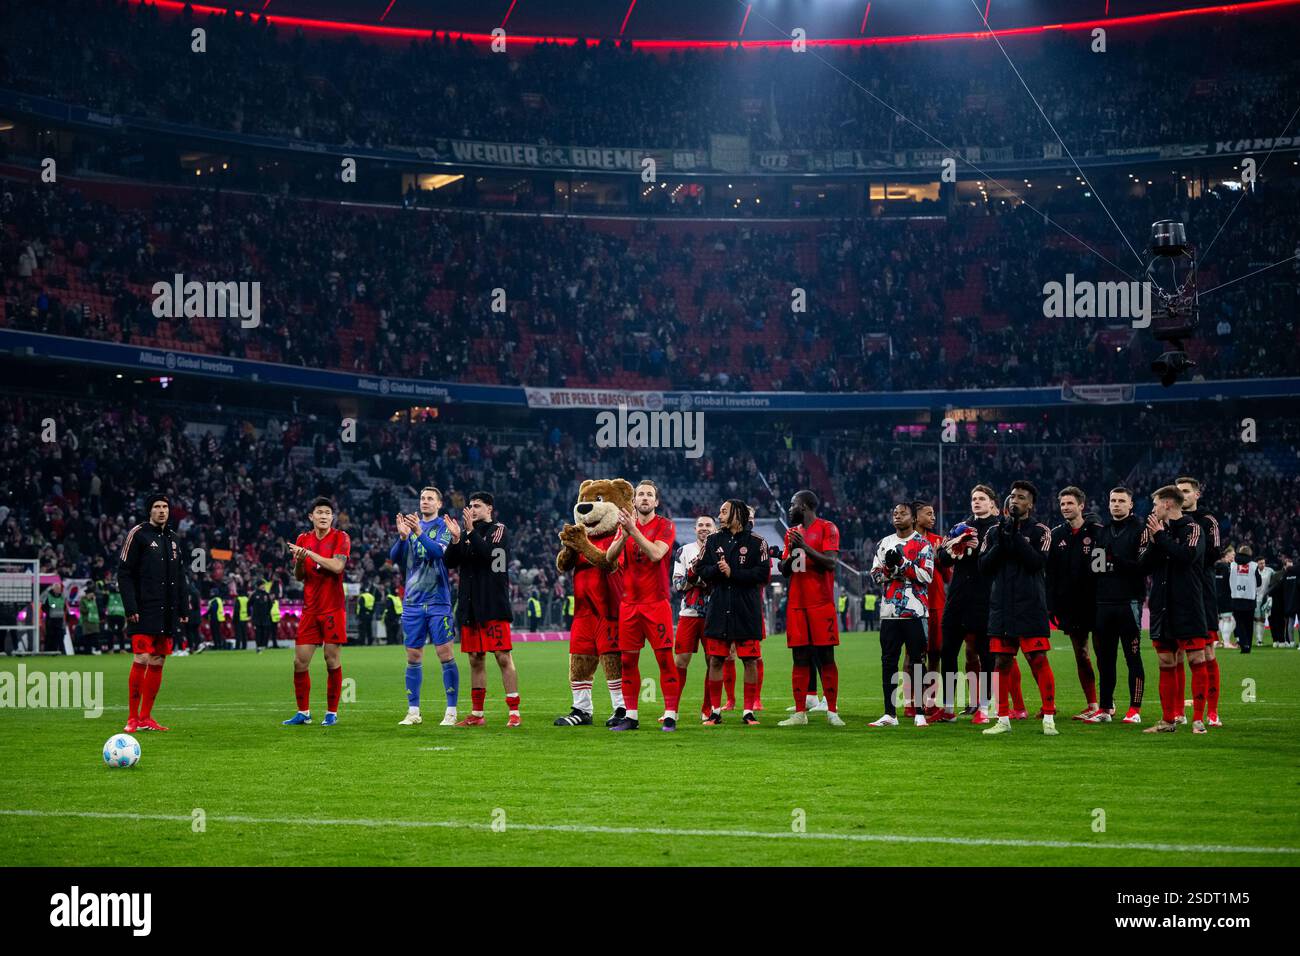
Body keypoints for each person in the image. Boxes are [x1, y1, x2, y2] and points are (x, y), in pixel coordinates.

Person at [979, 480, 1059, 737]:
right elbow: (983, 566)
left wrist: (1015, 537)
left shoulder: (1041, 531)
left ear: (1031, 504)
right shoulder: (994, 532)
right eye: (1012, 496)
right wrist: (1003, 539)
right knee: (1001, 661)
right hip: (1001, 606)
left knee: (1038, 659)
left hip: (1030, 606)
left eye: (1021, 497)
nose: (1015, 500)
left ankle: (1048, 716)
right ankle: (1003, 718)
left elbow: (1037, 563)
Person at [603, 480, 682, 732]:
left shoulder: (665, 526)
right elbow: (609, 558)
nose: (645, 498)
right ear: (634, 500)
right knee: (627, 661)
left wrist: (632, 531)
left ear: (656, 502)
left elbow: (656, 554)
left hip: (656, 604)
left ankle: (670, 714)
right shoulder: (625, 527)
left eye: (650, 495)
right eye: (640, 495)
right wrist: (623, 534)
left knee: (664, 660)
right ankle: (632, 716)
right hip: (629, 605)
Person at [444, 492, 521, 727]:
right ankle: (477, 715)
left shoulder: (499, 530)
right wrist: (456, 539)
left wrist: (469, 532)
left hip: (493, 605)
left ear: (490, 509)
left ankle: (514, 712)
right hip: (470, 608)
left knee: (502, 657)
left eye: (477, 505)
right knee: (476, 659)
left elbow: (490, 557)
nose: (472, 509)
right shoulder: (467, 534)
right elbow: (449, 562)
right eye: (470, 505)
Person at [693, 500, 771, 727]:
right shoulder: (713, 540)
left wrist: (733, 572)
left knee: (749, 660)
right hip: (719, 608)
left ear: (737, 514)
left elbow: (763, 574)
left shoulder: (758, 542)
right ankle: (715, 712)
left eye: (724, 511)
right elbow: (701, 569)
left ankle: (748, 711)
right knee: (716, 659)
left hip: (746, 609)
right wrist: (718, 569)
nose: (719, 514)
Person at [1139, 485, 1209, 734]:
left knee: (1195, 658)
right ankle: (1169, 720)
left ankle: (1199, 719)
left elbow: (1186, 556)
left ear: (1168, 504)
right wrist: (1154, 539)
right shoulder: (1156, 531)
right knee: (1166, 661)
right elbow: (1143, 565)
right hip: (1161, 606)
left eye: (1156, 504)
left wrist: (1160, 537)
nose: (1153, 509)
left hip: (1187, 605)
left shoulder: (1193, 529)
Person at [118, 493, 189, 732]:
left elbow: (180, 576)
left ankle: (146, 717)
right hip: (144, 609)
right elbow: (124, 573)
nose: (162, 510)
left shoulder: (174, 539)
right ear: (150, 511)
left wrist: (183, 606)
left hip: (167, 611)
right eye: (157, 507)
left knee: (159, 659)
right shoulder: (138, 534)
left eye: (165, 507)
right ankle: (132, 718)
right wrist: (131, 607)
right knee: (142, 657)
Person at [936, 484, 1003, 724]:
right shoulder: (960, 527)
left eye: (981, 498)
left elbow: (1000, 561)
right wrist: (955, 549)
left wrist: (980, 550)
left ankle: (985, 707)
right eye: (974, 498)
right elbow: (941, 559)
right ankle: (947, 708)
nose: (976, 502)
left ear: (991, 503)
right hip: (957, 598)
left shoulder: (998, 528)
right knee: (948, 651)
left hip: (985, 598)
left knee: (986, 654)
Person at [392, 487, 459, 727]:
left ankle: (451, 710)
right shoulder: (411, 525)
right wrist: (402, 538)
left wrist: (418, 532)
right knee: (413, 655)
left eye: (430, 498)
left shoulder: (443, 526)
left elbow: (437, 554)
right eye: (422, 498)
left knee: (445, 654)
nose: (425, 502)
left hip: (438, 600)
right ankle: (413, 711)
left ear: (439, 503)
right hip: (412, 602)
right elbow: (396, 558)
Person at [777, 490, 845, 727]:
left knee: (826, 656)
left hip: (821, 603)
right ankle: (799, 713)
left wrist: (805, 547)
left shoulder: (828, 528)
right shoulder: (791, 533)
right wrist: (784, 561)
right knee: (799, 657)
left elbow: (830, 562)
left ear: (804, 506)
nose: (789, 508)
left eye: (792, 504)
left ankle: (832, 710)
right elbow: (788, 570)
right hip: (797, 604)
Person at [282, 496, 351, 727]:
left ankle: (331, 713)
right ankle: (303, 712)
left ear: (332, 517)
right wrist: (300, 560)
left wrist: (308, 554)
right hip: (310, 609)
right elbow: (299, 576)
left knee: (331, 660)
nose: (323, 516)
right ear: (311, 516)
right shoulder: (303, 539)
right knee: (299, 662)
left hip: (333, 608)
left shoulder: (341, 537)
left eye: (327, 513)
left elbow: (337, 566)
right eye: (319, 512)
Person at [868, 502, 934, 728]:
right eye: (894, 513)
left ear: (913, 518)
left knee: (917, 662)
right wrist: (889, 569)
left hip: (915, 612)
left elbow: (927, 576)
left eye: (903, 513)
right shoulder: (883, 543)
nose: (897, 516)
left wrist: (903, 564)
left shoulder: (923, 544)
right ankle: (889, 713)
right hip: (889, 613)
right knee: (888, 662)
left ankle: (920, 712)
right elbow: (875, 576)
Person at [1086, 487, 1146, 724]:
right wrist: (1111, 563)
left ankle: (1134, 709)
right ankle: (1104, 708)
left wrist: (1115, 561)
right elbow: (1097, 567)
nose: (1116, 504)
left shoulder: (1140, 531)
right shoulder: (1104, 532)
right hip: (1104, 602)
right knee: (1106, 659)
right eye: (1113, 500)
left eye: (1122, 501)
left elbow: (1142, 567)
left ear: (1131, 504)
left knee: (1133, 657)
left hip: (1129, 601)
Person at [1047, 487, 1102, 720]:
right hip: (1070, 605)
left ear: (1081, 506)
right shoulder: (1056, 535)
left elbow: (1101, 569)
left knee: (1103, 654)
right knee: (1081, 653)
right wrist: (1052, 605)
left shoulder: (1097, 532)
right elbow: (1050, 574)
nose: (1065, 508)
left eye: (1070, 503)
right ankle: (1092, 703)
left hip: (1097, 603)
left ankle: (1106, 705)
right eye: (1062, 504)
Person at [1177, 476, 1223, 725]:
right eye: (1179, 491)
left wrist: (1186, 555)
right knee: (1179, 654)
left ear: (1197, 494)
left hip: (1203, 594)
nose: (1182, 495)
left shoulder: (1207, 521)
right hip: (1177, 595)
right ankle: (1180, 712)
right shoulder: (1170, 521)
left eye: (1186, 491)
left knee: (1206, 652)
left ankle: (1212, 712)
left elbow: (1214, 553)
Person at [905, 499, 950, 719]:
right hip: (914, 604)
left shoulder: (939, 541)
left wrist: (940, 556)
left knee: (935, 654)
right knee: (912, 654)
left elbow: (948, 575)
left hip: (937, 603)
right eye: (929, 514)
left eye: (934, 514)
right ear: (915, 517)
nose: (933, 517)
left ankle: (930, 701)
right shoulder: (906, 541)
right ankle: (909, 701)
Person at [672, 514, 717, 723]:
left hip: (714, 614)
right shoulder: (684, 551)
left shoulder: (721, 550)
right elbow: (678, 585)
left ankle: (708, 709)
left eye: (708, 525)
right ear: (694, 529)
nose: (704, 528)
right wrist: (700, 575)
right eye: (700, 525)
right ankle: (672, 710)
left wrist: (696, 577)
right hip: (688, 613)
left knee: (713, 662)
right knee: (680, 662)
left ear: (715, 529)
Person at [1227, 545, 1260, 654]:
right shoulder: (1254, 566)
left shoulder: (1232, 565)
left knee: (1239, 623)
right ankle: (1248, 646)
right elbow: (1259, 582)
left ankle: (1243, 644)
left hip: (1236, 598)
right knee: (1248, 624)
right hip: (1249, 599)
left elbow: (1228, 581)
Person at [1214, 546, 1236, 648]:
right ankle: (1226, 642)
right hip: (1226, 596)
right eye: (1233, 555)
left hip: (1214, 596)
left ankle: (1216, 642)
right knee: (1228, 619)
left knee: (1220, 619)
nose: (1234, 557)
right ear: (1227, 555)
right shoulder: (1227, 567)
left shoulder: (1214, 566)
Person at [40, 580, 68, 654]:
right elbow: (43, 607)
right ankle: (48, 652)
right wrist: (49, 611)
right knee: (50, 637)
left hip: (60, 620)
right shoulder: (48, 596)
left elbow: (64, 607)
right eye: (57, 588)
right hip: (50, 621)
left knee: (60, 637)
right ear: (53, 589)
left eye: (59, 589)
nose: (58, 590)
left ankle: (60, 652)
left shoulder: (62, 597)